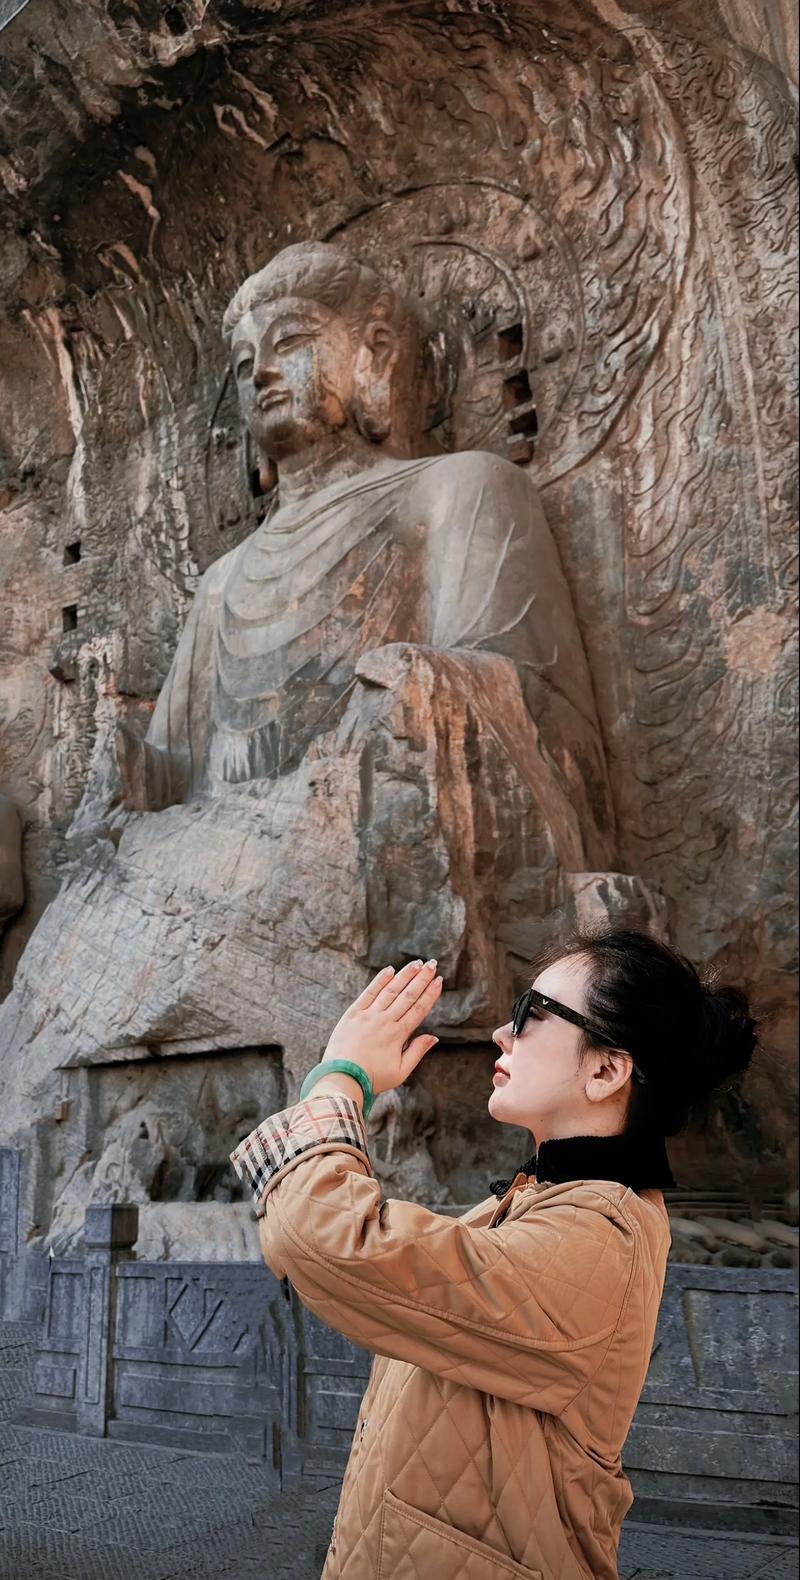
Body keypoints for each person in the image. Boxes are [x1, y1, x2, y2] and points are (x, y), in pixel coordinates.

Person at [230, 928, 757, 1580]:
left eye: (530, 1017)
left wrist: (341, 1078)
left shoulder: (597, 1241)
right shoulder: (528, 1205)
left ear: (605, 1070)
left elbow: (331, 1239)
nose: (501, 1037)